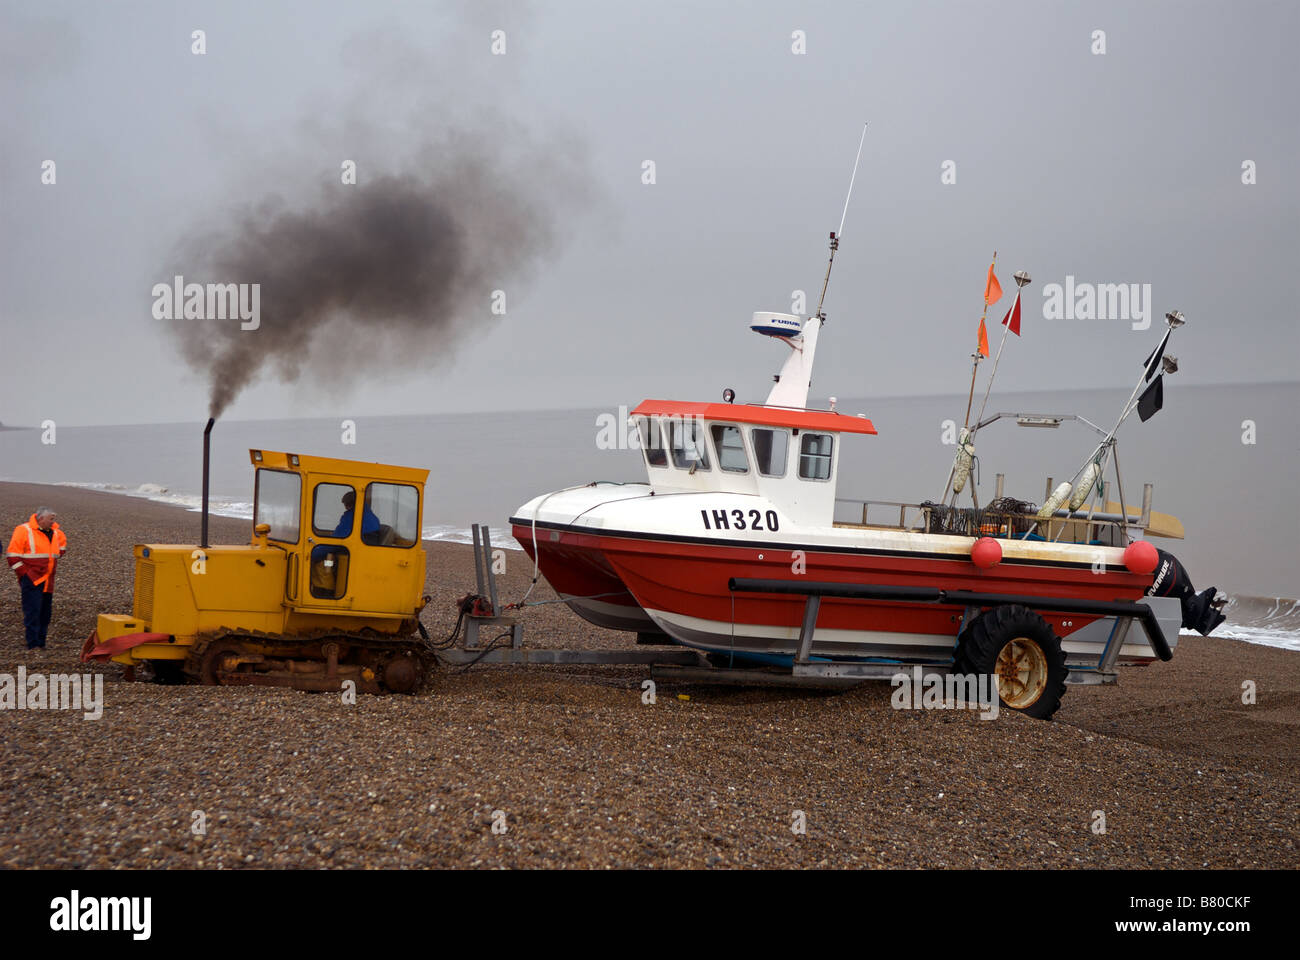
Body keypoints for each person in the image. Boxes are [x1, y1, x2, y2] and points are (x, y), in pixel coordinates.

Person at [7, 507, 68, 652]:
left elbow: (61, 549)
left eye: (54, 518)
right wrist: (24, 574)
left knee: (45, 613)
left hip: (48, 579)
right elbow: (12, 556)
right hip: (32, 579)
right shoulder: (23, 530)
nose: (54, 521)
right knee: (32, 611)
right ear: (41, 519)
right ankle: (32, 644)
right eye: (51, 519)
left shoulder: (57, 533)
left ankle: (41, 643)